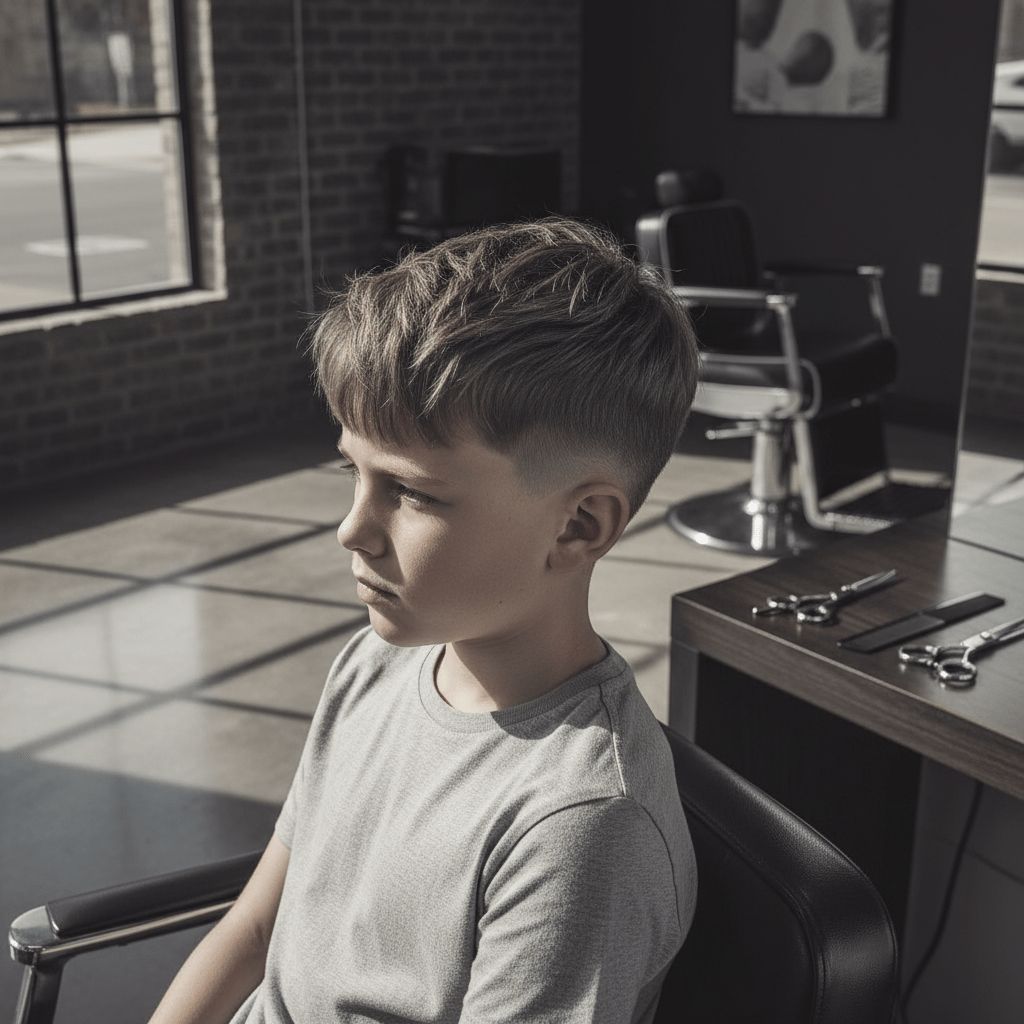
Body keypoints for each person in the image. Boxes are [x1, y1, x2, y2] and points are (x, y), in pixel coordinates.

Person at [147, 218, 701, 1024]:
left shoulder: (580, 825)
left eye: (412, 493)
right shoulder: (372, 664)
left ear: (579, 527)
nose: (352, 529)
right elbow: (259, 926)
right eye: (353, 471)